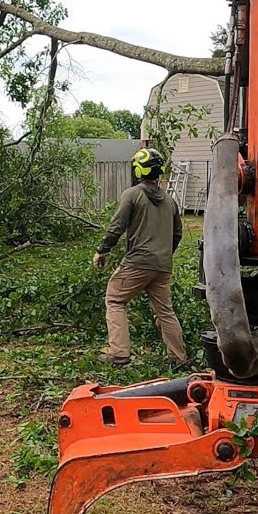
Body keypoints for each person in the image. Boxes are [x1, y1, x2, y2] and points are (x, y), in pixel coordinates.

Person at [92, 148, 186, 367]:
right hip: (162, 266)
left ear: (137, 170)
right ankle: (178, 357)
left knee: (115, 300)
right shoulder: (170, 201)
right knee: (165, 311)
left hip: (137, 262)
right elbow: (177, 234)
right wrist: (163, 255)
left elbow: (117, 226)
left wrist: (103, 250)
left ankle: (119, 353)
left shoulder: (132, 194)